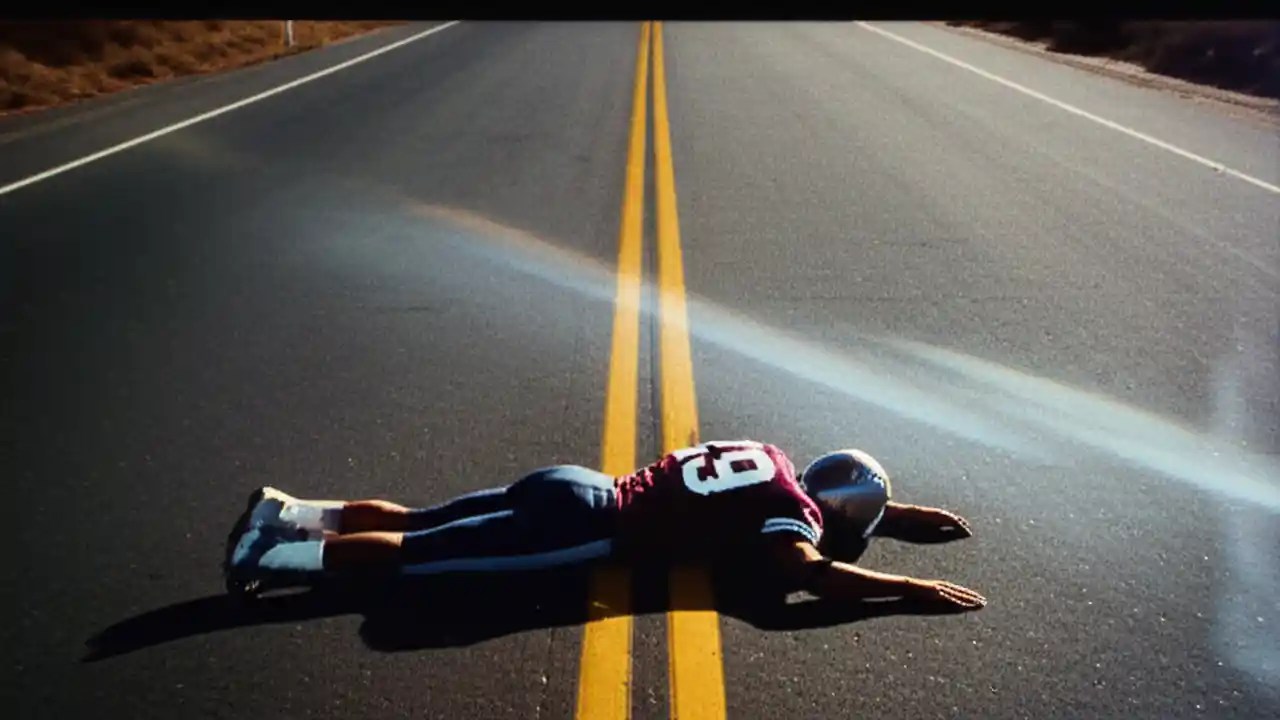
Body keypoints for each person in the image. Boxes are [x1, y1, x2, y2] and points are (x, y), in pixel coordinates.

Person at [224, 440, 986, 610]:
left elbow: (833, 493)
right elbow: (814, 574)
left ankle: (288, 511)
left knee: (424, 517)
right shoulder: (789, 523)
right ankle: (273, 555)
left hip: (577, 481)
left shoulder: (773, 460)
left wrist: (906, 513)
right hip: (588, 525)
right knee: (421, 557)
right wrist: (909, 585)